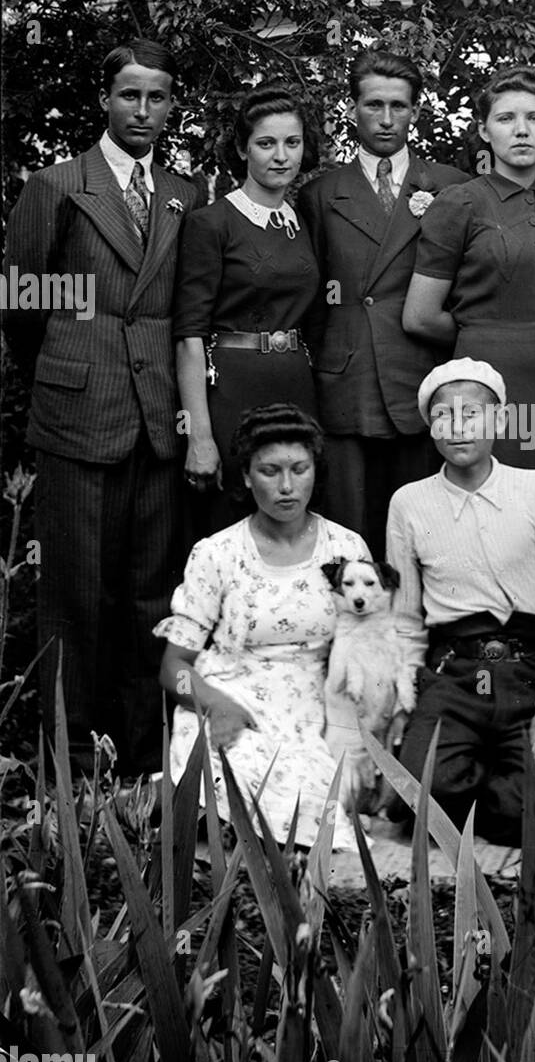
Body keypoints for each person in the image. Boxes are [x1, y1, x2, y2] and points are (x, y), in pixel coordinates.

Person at [1, 39, 201, 778]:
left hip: (158, 419)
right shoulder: (57, 186)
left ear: (170, 104)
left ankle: (146, 755)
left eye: (156, 98)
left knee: (154, 592)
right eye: (129, 96)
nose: (142, 111)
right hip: (79, 412)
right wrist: (75, 357)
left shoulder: (188, 193)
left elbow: (186, 306)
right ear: (105, 100)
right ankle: (72, 759)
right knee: (76, 596)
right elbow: (22, 303)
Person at [385, 358, 535, 845]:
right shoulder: (409, 503)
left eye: (472, 413)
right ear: (430, 428)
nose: (458, 427)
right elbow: (406, 621)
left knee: (534, 817)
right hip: (454, 674)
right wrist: (406, 702)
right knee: (422, 803)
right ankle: (470, 774)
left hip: (527, 673)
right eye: (444, 415)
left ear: (501, 421)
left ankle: (512, 782)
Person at [155, 404, 368, 849]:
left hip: (313, 706)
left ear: (315, 471)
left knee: (310, 802)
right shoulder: (216, 554)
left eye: (299, 469)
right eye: (269, 471)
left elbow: (365, 655)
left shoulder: (346, 548)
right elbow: (174, 666)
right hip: (228, 692)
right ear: (248, 477)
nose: (286, 487)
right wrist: (217, 705)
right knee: (235, 775)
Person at [296, 48, 469, 557]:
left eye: (399, 106)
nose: (387, 119)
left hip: (421, 376)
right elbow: (310, 297)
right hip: (346, 381)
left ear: (416, 111)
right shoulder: (321, 193)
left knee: (425, 536)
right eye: (374, 105)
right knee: (352, 536)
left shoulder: (451, 186)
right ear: (353, 109)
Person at [403, 66, 535, 527]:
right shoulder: (461, 202)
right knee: (504, 505)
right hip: (491, 378)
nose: (521, 130)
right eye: (506, 119)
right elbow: (420, 315)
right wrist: (485, 335)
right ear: (484, 130)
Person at [174, 81, 323, 536]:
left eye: (292, 143)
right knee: (229, 521)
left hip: (295, 386)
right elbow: (189, 335)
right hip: (232, 390)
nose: (281, 156)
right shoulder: (211, 222)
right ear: (242, 148)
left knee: (293, 521)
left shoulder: (304, 221)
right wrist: (199, 434)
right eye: (266, 143)